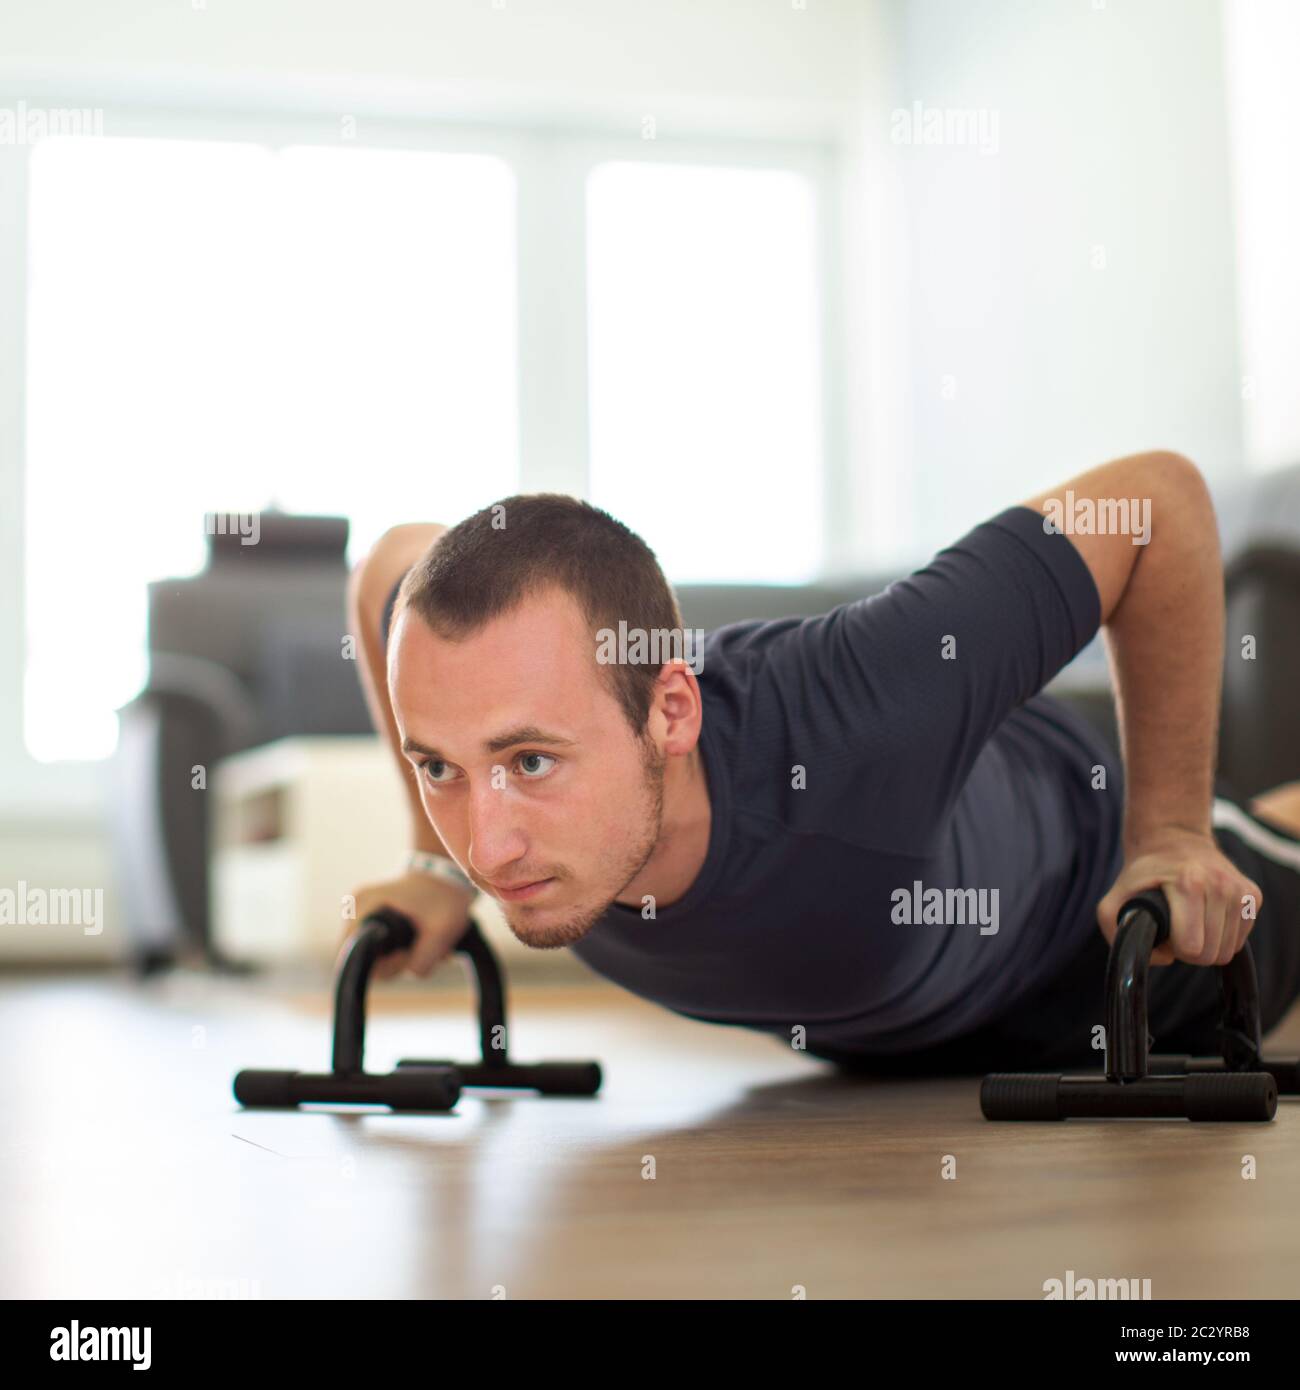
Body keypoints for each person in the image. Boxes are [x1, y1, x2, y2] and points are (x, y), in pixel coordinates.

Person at [342, 450, 1300, 1074]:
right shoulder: (500, 806)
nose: (490, 844)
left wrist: (1169, 833)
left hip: (1096, 942)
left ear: (671, 711)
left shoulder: (860, 694)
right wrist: (431, 869)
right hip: (889, 1036)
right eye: (442, 771)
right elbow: (395, 560)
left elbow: (1156, 503)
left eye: (533, 763)